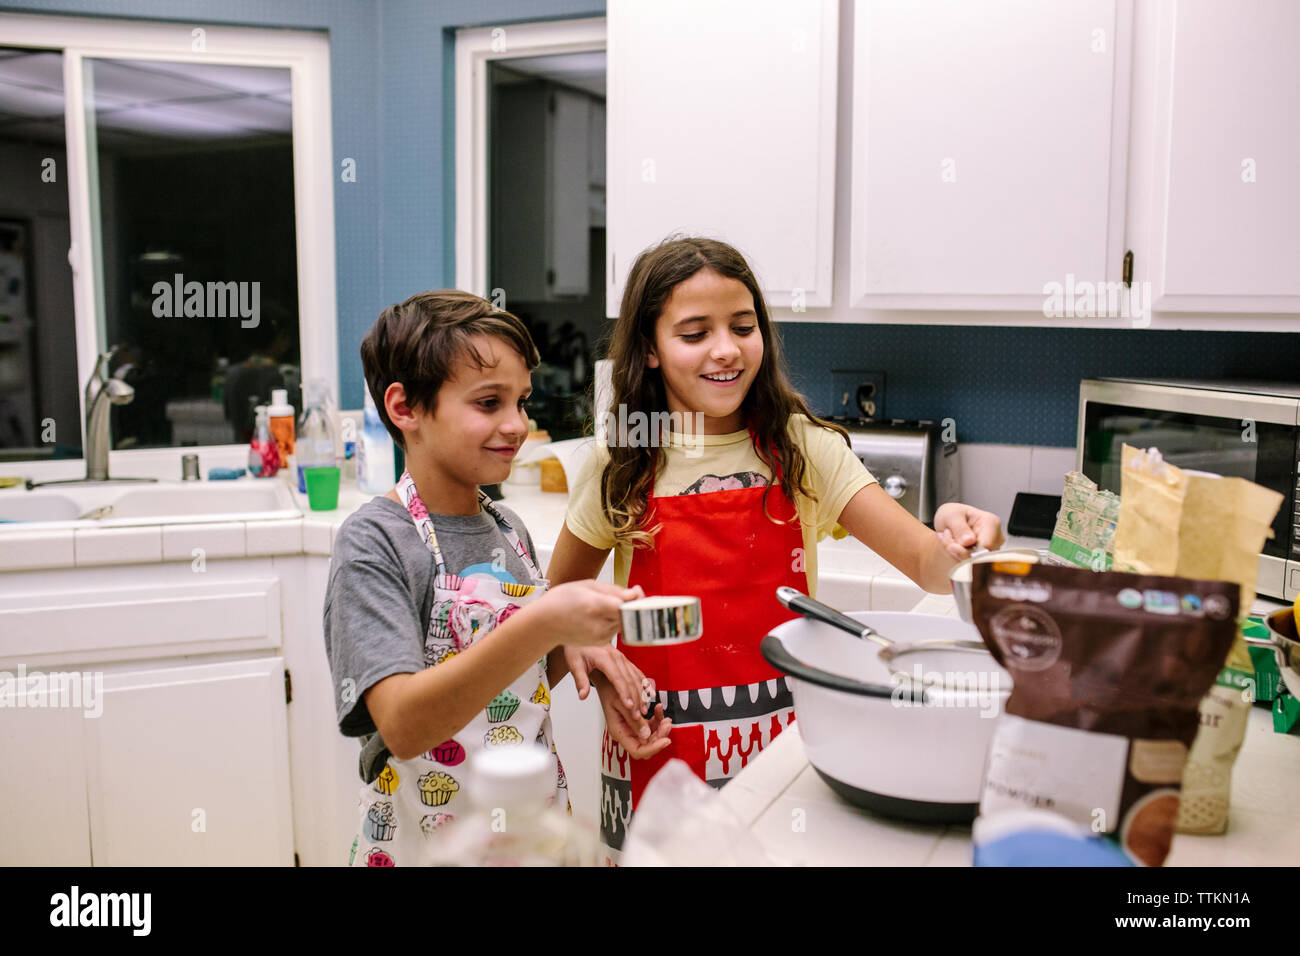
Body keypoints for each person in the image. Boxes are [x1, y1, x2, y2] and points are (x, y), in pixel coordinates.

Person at [546, 237, 1005, 863]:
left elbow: (927, 565)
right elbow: (556, 618)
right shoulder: (619, 460)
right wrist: (599, 669)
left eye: (743, 326)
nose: (727, 349)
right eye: (694, 332)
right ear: (649, 350)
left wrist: (958, 535)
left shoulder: (801, 447)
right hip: (652, 751)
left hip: (783, 747)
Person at [324, 290, 659, 867]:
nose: (518, 425)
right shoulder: (375, 543)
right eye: (488, 403)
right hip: (424, 845)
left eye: (522, 402)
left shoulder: (509, 529)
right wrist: (548, 620)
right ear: (405, 408)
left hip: (527, 833)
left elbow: (512, 687)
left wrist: (581, 654)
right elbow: (403, 725)